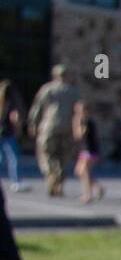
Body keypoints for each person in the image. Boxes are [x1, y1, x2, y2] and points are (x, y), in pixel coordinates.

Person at [27, 64, 79, 197]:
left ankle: (52, 174)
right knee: (63, 155)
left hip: (49, 126)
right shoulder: (74, 92)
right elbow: (79, 111)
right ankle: (59, 177)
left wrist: (33, 123)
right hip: (67, 128)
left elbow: (38, 107)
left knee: (46, 154)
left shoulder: (47, 90)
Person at [72, 101, 104, 204]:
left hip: (89, 150)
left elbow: (79, 135)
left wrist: (77, 124)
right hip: (84, 149)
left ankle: (88, 195)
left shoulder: (85, 121)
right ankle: (98, 187)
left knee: (84, 172)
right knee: (79, 171)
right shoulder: (85, 120)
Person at [0, 81, 26, 191]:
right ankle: (15, 181)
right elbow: (15, 119)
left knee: (1, 159)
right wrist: (19, 131)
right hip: (8, 134)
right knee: (13, 159)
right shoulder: (11, 104)